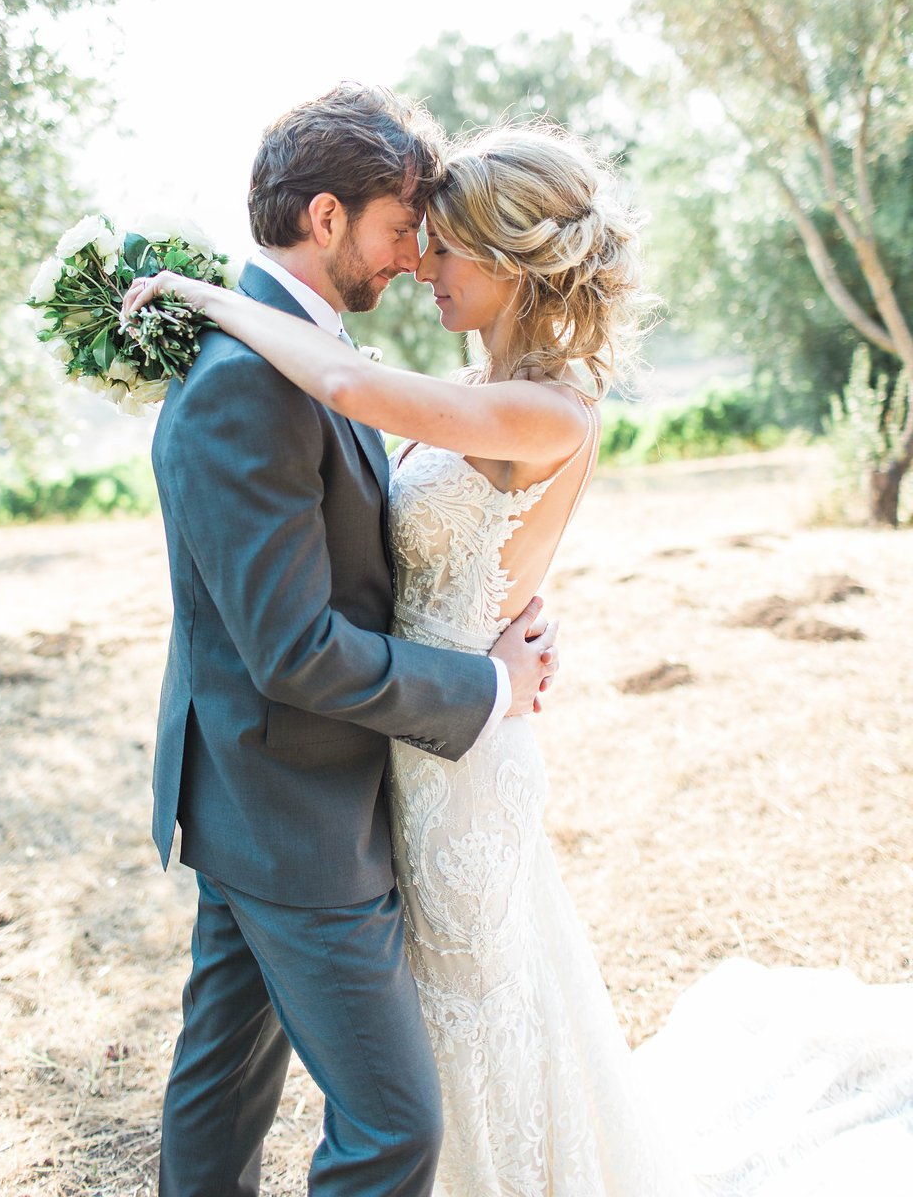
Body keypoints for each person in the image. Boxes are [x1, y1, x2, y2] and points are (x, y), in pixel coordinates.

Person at [128, 120, 682, 1196]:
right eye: (407, 231)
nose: (420, 259)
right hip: (346, 767)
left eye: (442, 242)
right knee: (298, 1087)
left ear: (516, 262)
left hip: (429, 768)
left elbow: (354, 401)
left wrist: (211, 301)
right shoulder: (384, 381)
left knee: (450, 1068)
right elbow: (390, 542)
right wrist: (490, 647)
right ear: (327, 218)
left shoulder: (535, 403)